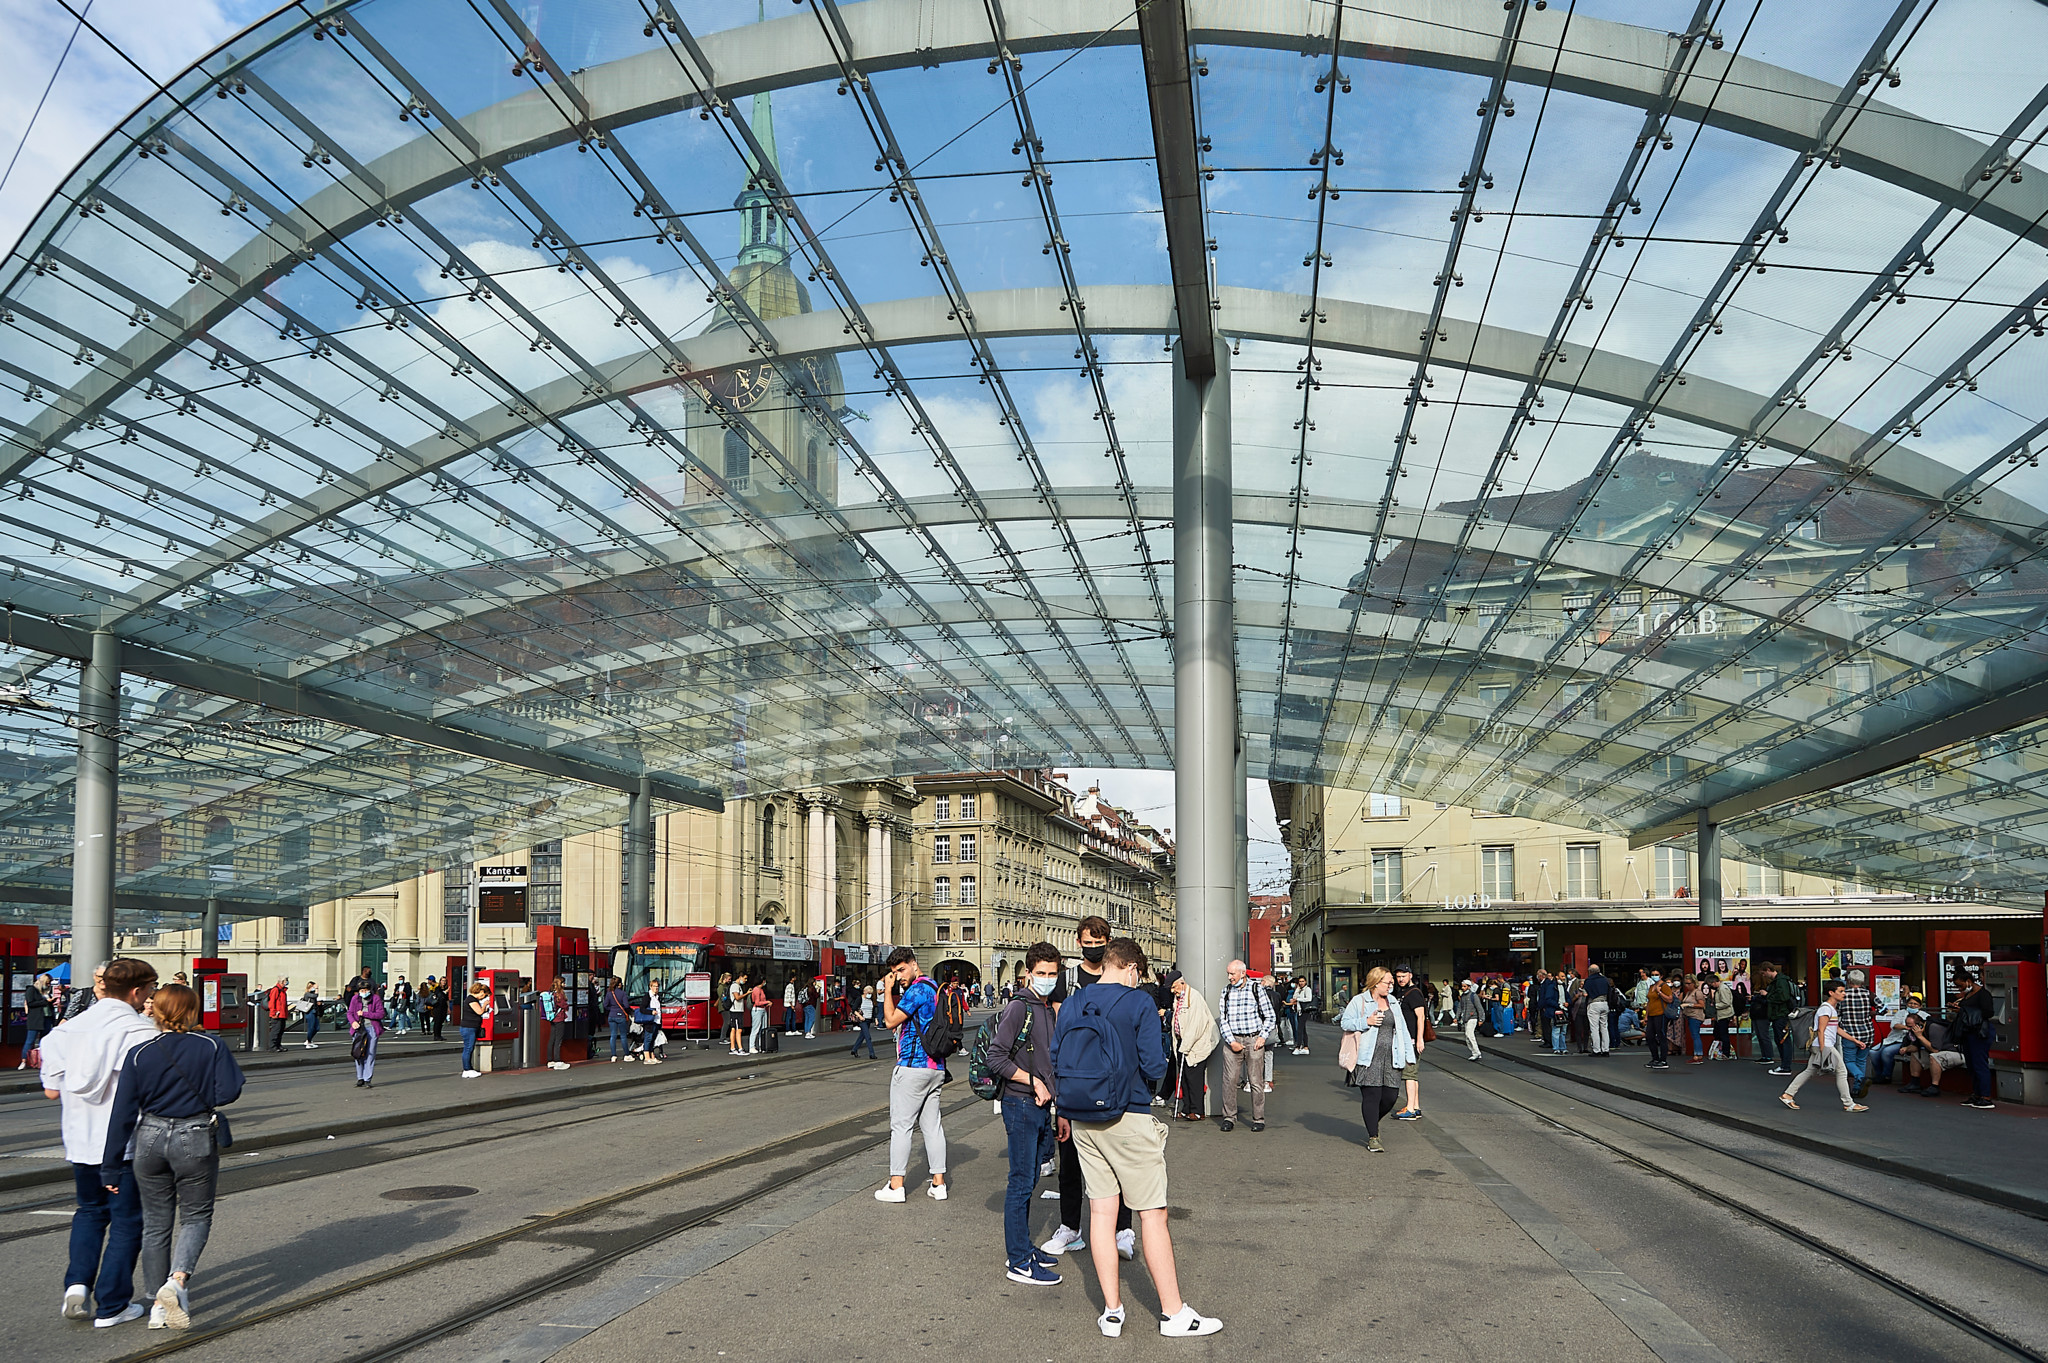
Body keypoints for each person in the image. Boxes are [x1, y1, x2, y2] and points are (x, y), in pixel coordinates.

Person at [1049, 937, 1219, 1338]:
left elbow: (1057, 1057)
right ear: (1131, 968)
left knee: (1102, 1216)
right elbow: (1153, 1063)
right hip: (1128, 1116)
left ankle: (1111, 1311)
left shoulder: (1073, 1002)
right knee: (1152, 1215)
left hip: (1083, 1121)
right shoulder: (1139, 1001)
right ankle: (1174, 1314)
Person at [99, 982, 244, 1331]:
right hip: (193, 1136)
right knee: (195, 1215)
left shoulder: (139, 1052)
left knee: (156, 1223)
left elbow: (122, 1114)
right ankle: (176, 1282)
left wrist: (109, 1168)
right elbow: (229, 1090)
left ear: (158, 1012)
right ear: (192, 1011)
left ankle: (156, 1306)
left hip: (148, 1137)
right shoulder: (210, 1045)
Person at [40, 956, 160, 1328]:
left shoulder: (68, 1030)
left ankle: (76, 1287)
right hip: (123, 1144)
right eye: (151, 990)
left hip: (79, 1139)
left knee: (89, 1212)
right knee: (127, 1221)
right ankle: (112, 1304)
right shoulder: (141, 1033)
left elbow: (51, 1092)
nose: (151, 997)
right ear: (137, 991)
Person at [1043, 916, 1135, 1259]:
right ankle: (1071, 1228)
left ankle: (1123, 1230)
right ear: (1079, 942)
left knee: (1118, 1161)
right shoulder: (1067, 980)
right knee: (1069, 1160)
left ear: (1108, 943)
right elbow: (1058, 1028)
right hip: (1077, 1076)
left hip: (1113, 1079)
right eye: (1088, 943)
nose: (1093, 948)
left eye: (1099, 943)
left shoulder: (1120, 976)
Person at [988, 942, 1064, 1286]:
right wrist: (1033, 1082)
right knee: (1020, 1183)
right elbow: (996, 1058)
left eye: (1052, 973)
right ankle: (1018, 1260)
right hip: (1019, 1103)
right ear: (1029, 973)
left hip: (1039, 1106)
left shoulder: (1046, 1007)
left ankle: (1024, 1248)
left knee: (1032, 1179)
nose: (1047, 979)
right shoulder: (1020, 1007)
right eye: (1041, 973)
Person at [874, 947, 948, 1203]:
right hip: (935, 1066)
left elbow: (891, 1020)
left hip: (913, 1066)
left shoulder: (917, 989)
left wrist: (885, 990)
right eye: (893, 972)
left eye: (901, 970)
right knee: (932, 1126)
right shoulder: (934, 987)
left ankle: (896, 1186)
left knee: (901, 1127)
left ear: (914, 965)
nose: (898, 976)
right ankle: (938, 1184)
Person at [1341, 966, 1417, 1153]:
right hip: (1368, 1058)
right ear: (1376, 982)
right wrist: (1365, 1022)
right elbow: (1345, 1022)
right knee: (1372, 1096)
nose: (1391, 985)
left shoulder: (1393, 1002)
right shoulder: (1360, 1001)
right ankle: (1373, 1136)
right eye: (1388, 982)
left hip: (1392, 1057)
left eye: (1392, 982)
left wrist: (1410, 1055)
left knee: (1390, 1098)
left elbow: (1403, 1030)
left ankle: (1372, 1121)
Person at [1780, 979, 1865, 1112]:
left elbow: (1836, 1029)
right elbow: (1821, 1029)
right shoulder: (1826, 1009)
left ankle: (1788, 1095)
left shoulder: (1830, 1009)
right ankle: (1849, 1104)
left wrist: (1855, 1040)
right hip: (1824, 1044)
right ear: (1831, 993)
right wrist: (1823, 1048)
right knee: (1841, 1071)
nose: (1844, 994)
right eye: (1841, 991)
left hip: (1822, 1044)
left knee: (1809, 1071)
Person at [1215, 959, 1274, 1132]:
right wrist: (1231, 1041)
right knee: (1229, 1081)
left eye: (1232, 973)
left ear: (1242, 973)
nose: (1229, 977)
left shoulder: (1257, 989)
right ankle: (1229, 1117)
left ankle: (1258, 1119)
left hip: (1253, 1040)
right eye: (1228, 973)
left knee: (1256, 1081)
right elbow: (1223, 1019)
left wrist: (1262, 1037)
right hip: (1233, 1040)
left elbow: (1270, 1016)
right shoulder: (1226, 991)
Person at [1165, 970, 1217, 1121]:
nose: (1172, 991)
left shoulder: (1194, 998)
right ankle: (1186, 1108)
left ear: (1182, 983)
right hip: (1183, 1042)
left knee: (1194, 1078)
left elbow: (1196, 1026)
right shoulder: (1179, 998)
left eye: (1174, 987)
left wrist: (1185, 1046)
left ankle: (1197, 1110)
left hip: (1196, 1044)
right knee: (1184, 1077)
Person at [1949, 967, 1998, 1110]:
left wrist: (1963, 1010)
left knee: (1979, 1063)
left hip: (1979, 1032)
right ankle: (1977, 1094)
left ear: (1969, 981)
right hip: (1968, 1032)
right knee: (1971, 1064)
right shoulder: (1968, 995)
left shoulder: (1983, 994)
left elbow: (1988, 1012)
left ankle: (1986, 1096)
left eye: (1960, 985)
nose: (1959, 988)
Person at [1389, 963, 1429, 1120]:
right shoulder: (1402, 992)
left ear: (1410, 975)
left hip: (1411, 1040)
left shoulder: (1414, 994)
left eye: (1403, 976)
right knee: (1412, 1074)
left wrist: (1419, 1039)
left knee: (1409, 1074)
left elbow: (1421, 1017)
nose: (1400, 979)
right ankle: (1415, 1106)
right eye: (1398, 977)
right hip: (1405, 1038)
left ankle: (1410, 1109)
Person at [1837, 970, 1876, 1098]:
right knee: (1861, 1060)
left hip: (1849, 1033)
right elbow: (1883, 1008)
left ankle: (1860, 1078)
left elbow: (1837, 1013)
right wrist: (1870, 1014)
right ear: (1863, 982)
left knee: (1848, 1061)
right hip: (1867, 1032)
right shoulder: (1869, 994)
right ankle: (1857, 1088)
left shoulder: (1843, 995)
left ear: (1848, 981)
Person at [1755, 962, 1795, 1074]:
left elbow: (1783, 996)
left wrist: (1766, 995)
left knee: (1782, 1040)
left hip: (1780, 1014)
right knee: (1780, 1039)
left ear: (1768, 970)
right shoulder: (1779, 980)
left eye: (1763, 973)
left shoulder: (1780, 981)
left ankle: (1785, 1066)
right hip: (1779, 1014)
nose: (1763, 976)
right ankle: (1784, 1065)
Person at [345, 982, 386, 1088]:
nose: (363, 993)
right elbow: (349, 1013)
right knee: (358, 1052)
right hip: (358, 1029)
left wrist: (365, 1014)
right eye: (361, 991)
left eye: (365, 990)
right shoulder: (355, 999)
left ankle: (367, 1078)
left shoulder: (375, 998)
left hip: (372, 1028)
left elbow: (381, 1014)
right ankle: (360, 1077)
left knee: (370, 1053)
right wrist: (353, 1022)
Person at [19, 972, 56, 1066]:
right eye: (47, 982)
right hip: (35, 1019)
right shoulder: (32, 990)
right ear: (42, 981)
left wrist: (51, 1002)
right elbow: (31, 1003)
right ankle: (24, 1061)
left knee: (45, 1040)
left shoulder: (47, 992)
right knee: (30, 1040)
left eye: (50, 983)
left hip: (47, 1017)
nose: (49, 985)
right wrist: (45, 1002)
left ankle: (42, 1060)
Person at [460, 981, 491, 1078]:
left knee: (469, 1048)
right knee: (468, 1048)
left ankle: (469, 1068)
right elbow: (479, 1011)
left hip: (470, 1027)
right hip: (469, 1027)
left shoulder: (471, 999)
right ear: (481, 991)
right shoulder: (471, 999)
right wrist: (485, 1004)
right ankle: (467, 1069)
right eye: (484, 995)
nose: (484, 997)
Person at [1643, 971, 1673, 1071]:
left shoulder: (1664, 986)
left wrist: (1659, 992)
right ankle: (1655, 1058)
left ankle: (1663, 1060)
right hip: (1651, 1015)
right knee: (1649, 1036)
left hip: (1661, 1014)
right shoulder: (1651, 986)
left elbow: (1670, 999)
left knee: (1661, 1036)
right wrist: (1646, 1016)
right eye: (1653, 974)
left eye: (1656, 974)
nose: (1654, 976)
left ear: (1661, 975)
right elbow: (1649, 1002)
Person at [1582, 962, 1613, 1056]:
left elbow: (1586, 992)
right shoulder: (1604, 979)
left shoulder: (1588, 980)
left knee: (1594, 1028)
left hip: (1594, 1003)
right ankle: (1606, 1049)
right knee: (1604, 1027)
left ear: (1590, 971)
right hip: (1604, 1003)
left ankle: (1596, 1050)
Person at [543, 976, 571, 1069]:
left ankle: (550, 1060)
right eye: (563, 983)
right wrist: (567, 1005)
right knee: (558, 1040)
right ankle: (558, 1061)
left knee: (552, 1039)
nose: (565, 984)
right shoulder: (560, 994)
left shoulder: (552, 993)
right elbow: (564, 1005)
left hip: (552, 1018)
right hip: (559, 1018)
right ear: (560, 984)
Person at [604, 975, 633, 1062]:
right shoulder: (622, 993)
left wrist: (612, 1009)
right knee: (623, 1036)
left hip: (611, 1016)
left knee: (613, 1035)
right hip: (620, 1016)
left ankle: (613, 1055)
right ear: (619, 984)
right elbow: (626, 1005)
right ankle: (627, 1055)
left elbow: (605, 1005)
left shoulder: (609, 993)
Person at [1455, 978, 1484, 1059]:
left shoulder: (1473, 996)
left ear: (1469, 987)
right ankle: (1476, 1052)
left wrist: (1481, 1019)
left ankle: (1476, 1053)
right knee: (1468, 1037)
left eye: (1464, 986)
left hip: (1472, 1017)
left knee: (1469, 1035)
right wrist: (1456, 1017)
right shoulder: (1463, 996)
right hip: (1465, 1018)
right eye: (1462, 986)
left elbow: (1479, 1008)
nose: (1463, 988)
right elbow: (1460, 1008)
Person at [849, 984, 878, 1059]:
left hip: (868, 1020)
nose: (869, 995)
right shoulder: (860, 999)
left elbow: (873, 1010)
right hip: (862, 1020)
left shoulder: (871, 1000)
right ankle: (872, 1053)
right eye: (868, 993)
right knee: (868, 1037)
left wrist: (875, 1018)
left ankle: (854, 1049)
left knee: (862, 1036)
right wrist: (860, 1016)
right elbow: (854, 1009)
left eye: (871, 993)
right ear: (864, 992)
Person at [643, 980, 668, 1063]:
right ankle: (647, 1057)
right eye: (654, 986)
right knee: (648, 1038)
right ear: (650, 987)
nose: (656, 988)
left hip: (657, 1021)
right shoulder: (647, 996)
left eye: (657, 986)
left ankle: (652, 1056)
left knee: (653, 1039)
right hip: (650, 1021)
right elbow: (642, 1008)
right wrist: (651, 1012)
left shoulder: (657, 997)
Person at [1289, 976, 1314, 1053]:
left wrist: (1298, 999)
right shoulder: (1298, 989)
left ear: (1305, 982)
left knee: (1299, 1029)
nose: (1301, 983)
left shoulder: (1307, 989)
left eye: (1302, 981)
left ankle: (1298, 1046)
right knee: (1302, 1029)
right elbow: (1294, 997)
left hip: (1304, 1010)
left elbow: (1309, 999)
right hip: (1298, 1010)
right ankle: (1305, 1047)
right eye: (1300, 981)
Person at [421, 976, 448, 1041]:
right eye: (442, 980)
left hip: (444, 1007)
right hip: (437, 1007)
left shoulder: (445, 989)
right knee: (437, 1021)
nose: (444, 982)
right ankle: (436, 1035)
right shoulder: (437, 988)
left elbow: (447, 999)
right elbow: (439, 996)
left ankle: (439, 1035)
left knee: (441, 1021)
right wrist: (444, 993)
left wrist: (448, 1008)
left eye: (445, 981)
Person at [749, 975, 772, 1054]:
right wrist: (767, 1002)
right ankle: (752, 1046)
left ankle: (762, 1045)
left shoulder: (761, 990)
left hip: (762, 1009)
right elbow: (757, 1002)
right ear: (763, 981)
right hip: (757, 1010)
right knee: (756, 1028)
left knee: (763, 1029)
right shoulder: (756, 990)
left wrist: (766, 1004)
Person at [298, 981, 323, 1048]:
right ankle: (308, 1041)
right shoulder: (307, 994)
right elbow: (315, 996)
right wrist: (317, 989)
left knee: (317, 1028)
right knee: (311, 1027)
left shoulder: (310, 994)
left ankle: (309, 1039)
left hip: (314, 1012)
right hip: (310, 1012)